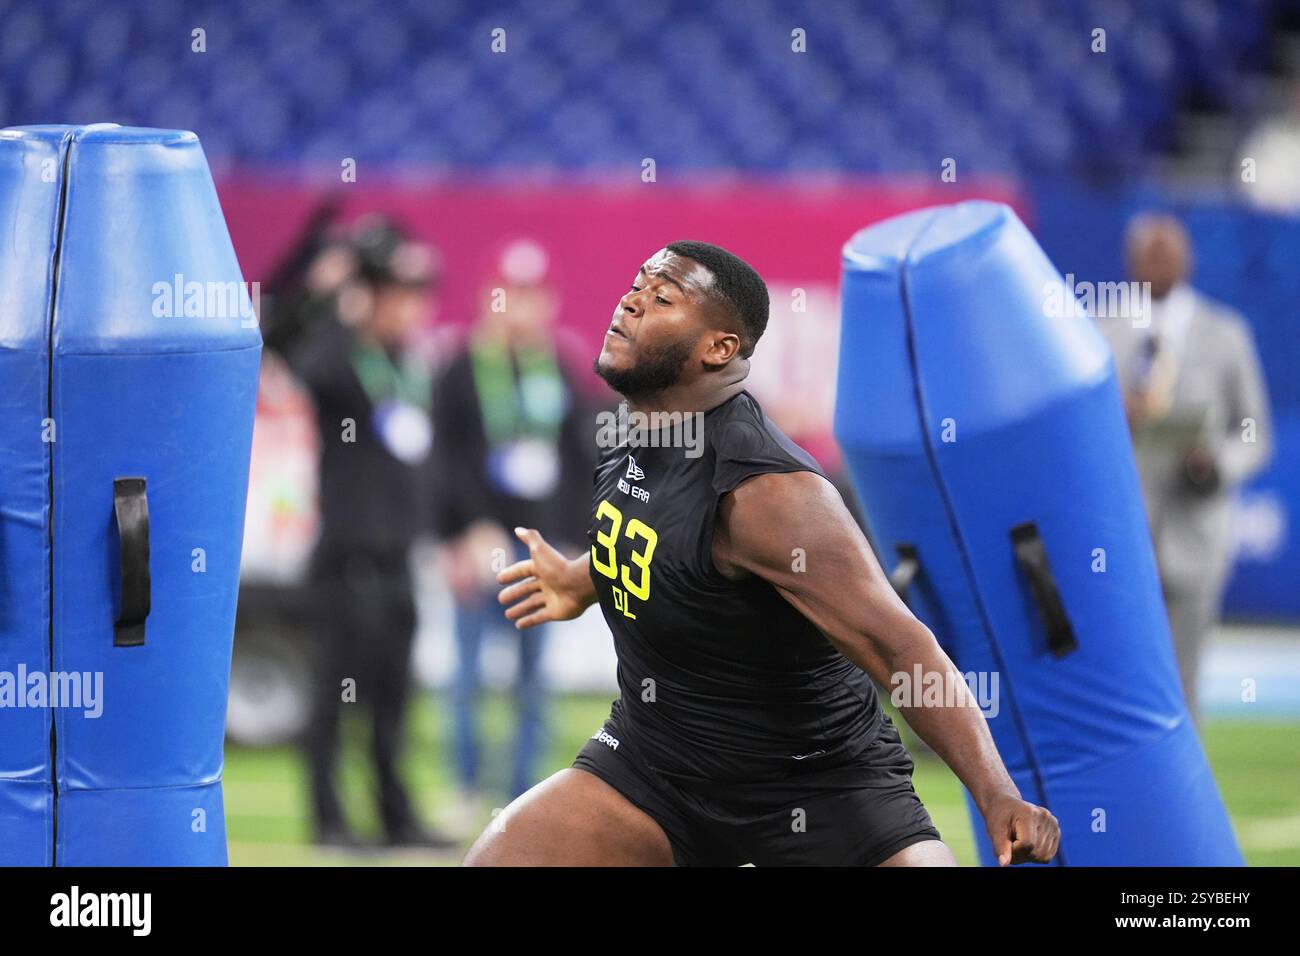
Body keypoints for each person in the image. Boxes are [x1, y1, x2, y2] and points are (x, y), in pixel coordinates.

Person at [463, 241, 1060, 866]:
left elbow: (901, 648)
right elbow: (668, 542)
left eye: (662, 297)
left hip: (815, 784)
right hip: (657, 763)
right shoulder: (635, 428)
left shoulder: (769, 494)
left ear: (718, 349)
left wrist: (996, 794)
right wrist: (583, 579)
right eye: (637, 284)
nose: (631, 301)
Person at [284, 217, 456, 849]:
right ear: (369, 297)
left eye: (416, 295)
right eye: (394, 294)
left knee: (393, 695)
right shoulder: (339, 360)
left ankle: (394, 815)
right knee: (335, 691)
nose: (408, 308)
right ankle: (328, 818)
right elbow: (289, 345)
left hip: (399, 556)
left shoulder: (417, 366)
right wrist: (333, 296)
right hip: (346, 556)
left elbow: (434, 466)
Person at [431, 239, 593, 822]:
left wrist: (575, 540)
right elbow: (442, 460)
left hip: (541, 554)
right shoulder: (459, 367)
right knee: (468, 678)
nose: (520, 308)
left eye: (532, 296)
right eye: (510, 295)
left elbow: (583, 461)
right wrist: (461, 532)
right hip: (480, 553)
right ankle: (465, 786)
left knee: (531, 683)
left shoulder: (565, 369)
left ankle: (523, 794)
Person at [1098, 213, 1274, 726]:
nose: (1157, 264)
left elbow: (1254, 430)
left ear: (1188, 260)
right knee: (1119, 670)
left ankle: (1178, 797)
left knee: (1185, 672)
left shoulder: (1226, 333)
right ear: (1130, 263)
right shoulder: (1098, 331)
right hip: (1119, 531)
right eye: (1148, 255)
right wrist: (1113, 415)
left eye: (1167, 254)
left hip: (1195, 525)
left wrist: (1217, 463)